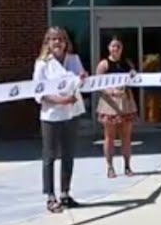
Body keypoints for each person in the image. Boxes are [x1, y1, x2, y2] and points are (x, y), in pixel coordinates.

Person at [33, 26, 88, 213]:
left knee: (68, 154)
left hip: (71, 113)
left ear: (66, 42)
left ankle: (65, 193)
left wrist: (83, 78)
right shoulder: (42, 64)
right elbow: (39, 92)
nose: (58, 42)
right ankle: (50, 196)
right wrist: (60, 100)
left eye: (61, 39)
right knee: (49, 156)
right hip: (51, 115)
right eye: (54, 39)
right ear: (47, 42)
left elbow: (82, 81)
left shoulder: (74, 60)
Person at [95, 35, 138, 178]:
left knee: (126, 136)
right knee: (110, 136)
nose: (116, 49)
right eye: (113, 46)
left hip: (126, 102)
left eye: (118, 46)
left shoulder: (127, 62)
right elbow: (98, 84)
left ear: (122, 48)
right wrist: (111, 92)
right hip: (109, 104)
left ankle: (127, 166)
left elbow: (134, 78)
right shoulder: (104, 64)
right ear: (109, 48)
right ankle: (110, 167)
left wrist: (134, 74)